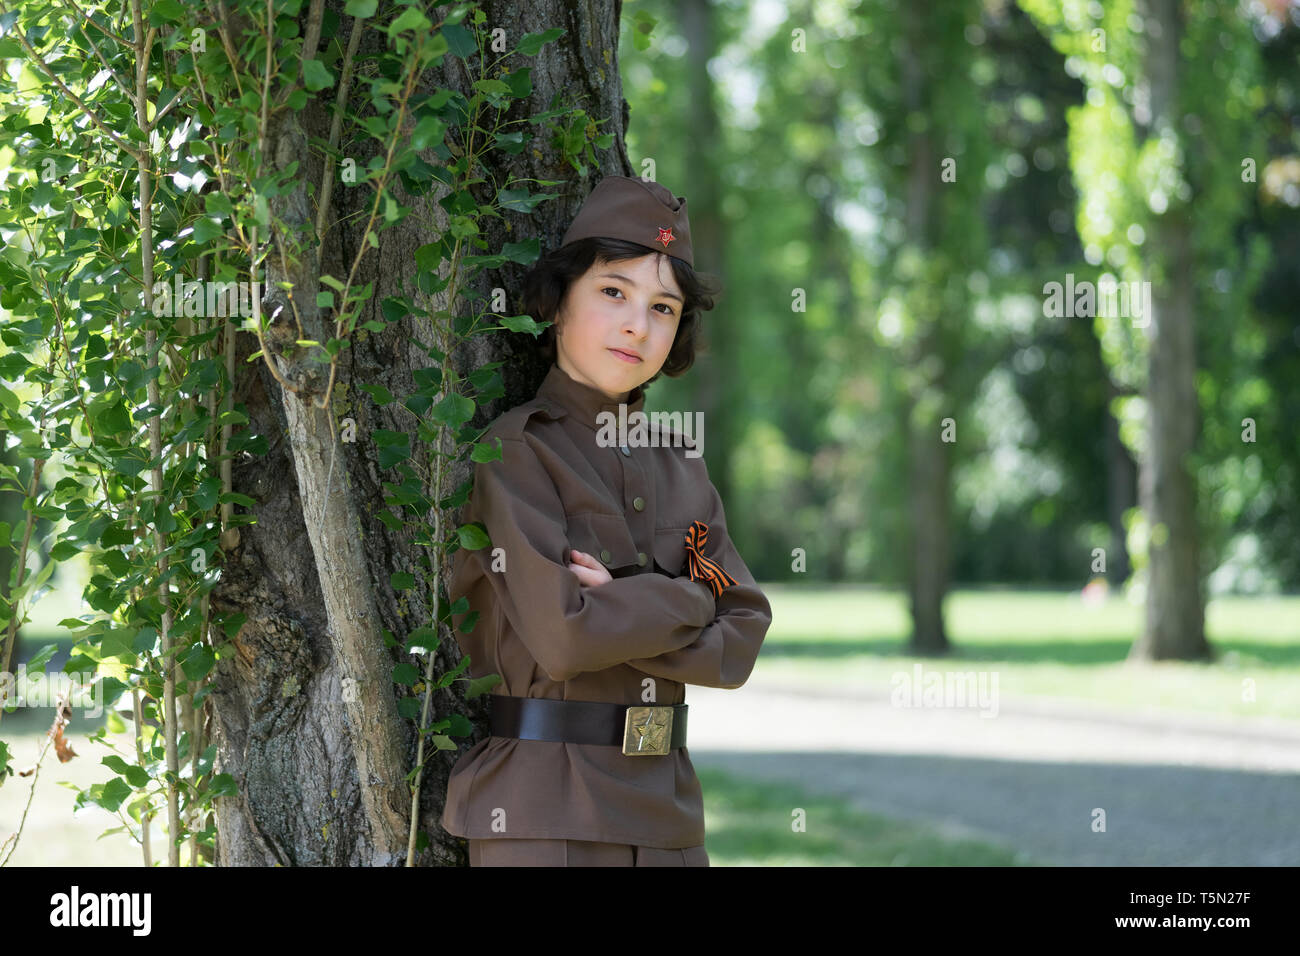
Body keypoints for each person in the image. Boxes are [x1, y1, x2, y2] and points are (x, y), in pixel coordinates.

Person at [440, 175, 773, 867]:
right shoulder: (517, 453)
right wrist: (688, 600)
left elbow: (739, 640)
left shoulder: (681, 466)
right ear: (559, 301)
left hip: (669, 810)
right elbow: (563, 639)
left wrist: (624, 602)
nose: (638, 325)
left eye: (664, 307)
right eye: (614, 292)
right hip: (545, 815)